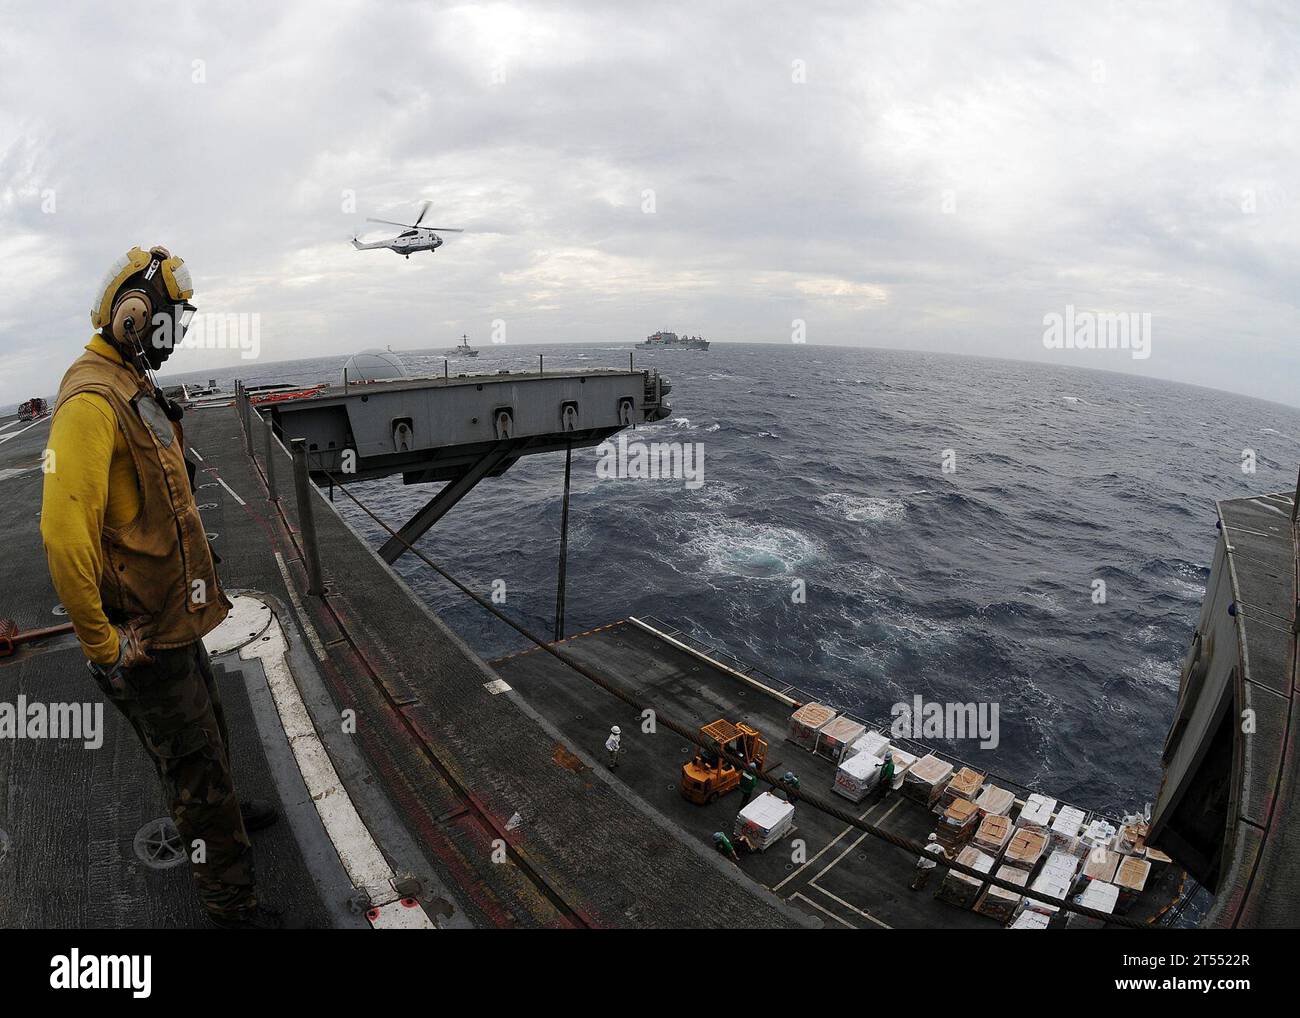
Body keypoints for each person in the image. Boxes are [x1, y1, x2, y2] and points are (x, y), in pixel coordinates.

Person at [41, 246, 280, 930]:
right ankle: (233, 909)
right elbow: (63, 535)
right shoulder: (92, 397)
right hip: (141, 636)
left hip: (171, 622)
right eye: (169, 326)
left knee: (210, 734)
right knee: (192, 770)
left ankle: (227, 816)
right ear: (135, 317)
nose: (174, 342)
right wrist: (103, 643)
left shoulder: (127, 380)